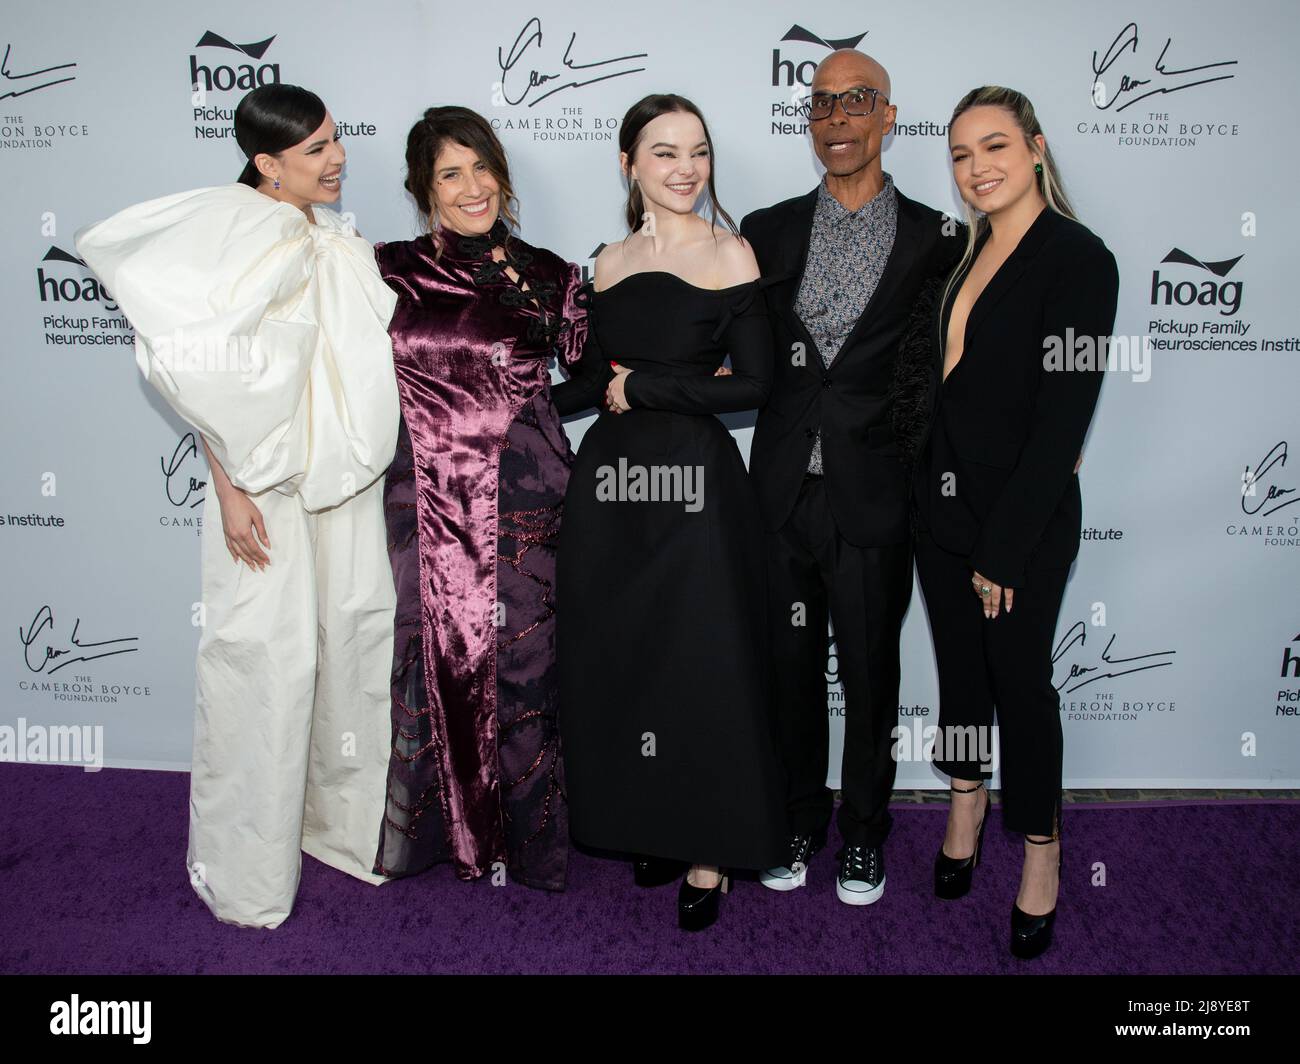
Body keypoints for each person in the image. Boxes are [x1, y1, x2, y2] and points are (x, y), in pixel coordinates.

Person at [75, 84, 400, 929]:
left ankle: (335, 831)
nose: (336, 161)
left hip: (347, 483)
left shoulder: (328, 229)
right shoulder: (234, 228)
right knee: (263, 664)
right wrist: (229, 490)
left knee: (352, 649)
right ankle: (247, 870)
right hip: (264, 492)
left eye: (336, 141)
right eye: (315, 152)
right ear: (266, 163)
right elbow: (195, 371)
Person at [553, 93, 789, 932]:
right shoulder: (605, 262)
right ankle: (647, 819)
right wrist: (511, 406)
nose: (685, 168)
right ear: (628, 164)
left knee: (701, 664)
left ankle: (709, 848)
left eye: (697, 151)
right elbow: (592, 383)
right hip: (613, 490)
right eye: (664, 153)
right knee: (628, 658)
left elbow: (756, 384)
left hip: (695, 487)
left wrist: (646, 386)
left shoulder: (732, 253)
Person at [741, 50, 963, 906]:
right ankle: (800, 816)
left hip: (875, 494)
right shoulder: (765, 229)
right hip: (782, 490)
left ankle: (864, 832)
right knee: (789, 669)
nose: (836, 118)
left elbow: (960, 364)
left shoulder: (938, 239)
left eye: (855, 102)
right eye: (822, 104)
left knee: (872, 676)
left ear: (888, 117)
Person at [912, 86, 1119, 959]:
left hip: (1021, 523)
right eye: (961, 154)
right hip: (940, 507)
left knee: (1021, 687)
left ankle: (1042, 851)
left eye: (994, 146)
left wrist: (1004, 547)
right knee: (960, 674)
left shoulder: (1079, 259)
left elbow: (1062, 423)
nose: (977, 168)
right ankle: (964, 800)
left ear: (1035, 148)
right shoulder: (958, 254)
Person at [370, 107, 589, 892]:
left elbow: (599, 372)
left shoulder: (552, 275)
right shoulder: (388, 269)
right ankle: (441, 837)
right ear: (423, 189)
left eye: (481, 168)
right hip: (421, 497)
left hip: (526, 497)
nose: (472, 188)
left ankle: (526, 847)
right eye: (450, 175)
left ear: (502, 170)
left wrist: (532, 418)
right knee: (428, 659)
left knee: (523, 669)